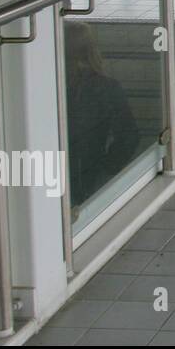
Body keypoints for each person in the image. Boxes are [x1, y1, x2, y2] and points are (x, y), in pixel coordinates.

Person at [64, 21, 140, 211]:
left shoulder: (47, 85)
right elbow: (129, 135)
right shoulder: (106, 87)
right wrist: (104, 168)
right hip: (87, 175)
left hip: (51, 171)